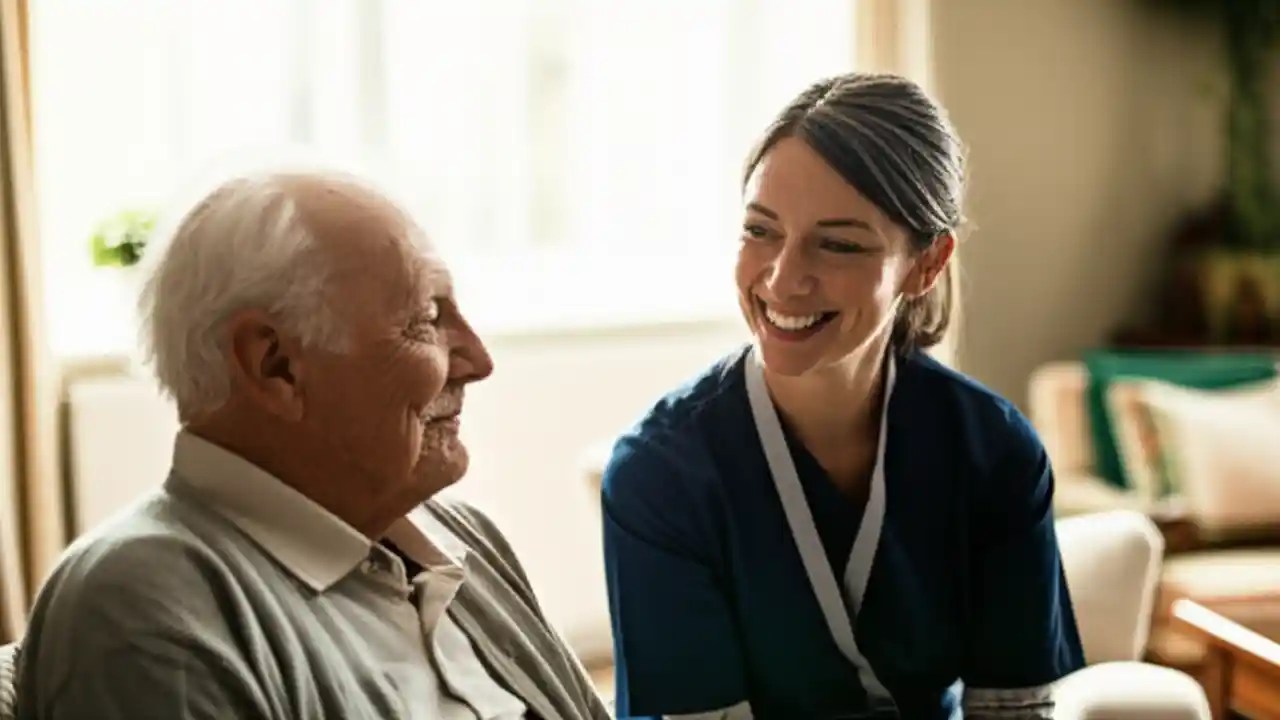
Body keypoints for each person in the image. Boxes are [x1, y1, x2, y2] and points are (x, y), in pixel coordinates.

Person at [16, 170, 610, 720]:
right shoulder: (143, 605)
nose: (478, 361)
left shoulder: (459, 538)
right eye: (426, 319)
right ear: (274, 365)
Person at [600, 72, 1085, 719]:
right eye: (761, 230)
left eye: (837, 244)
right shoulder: (660, 475)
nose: (783, 278)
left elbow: (1015, 711)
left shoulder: (994, 453)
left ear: (926, 264)